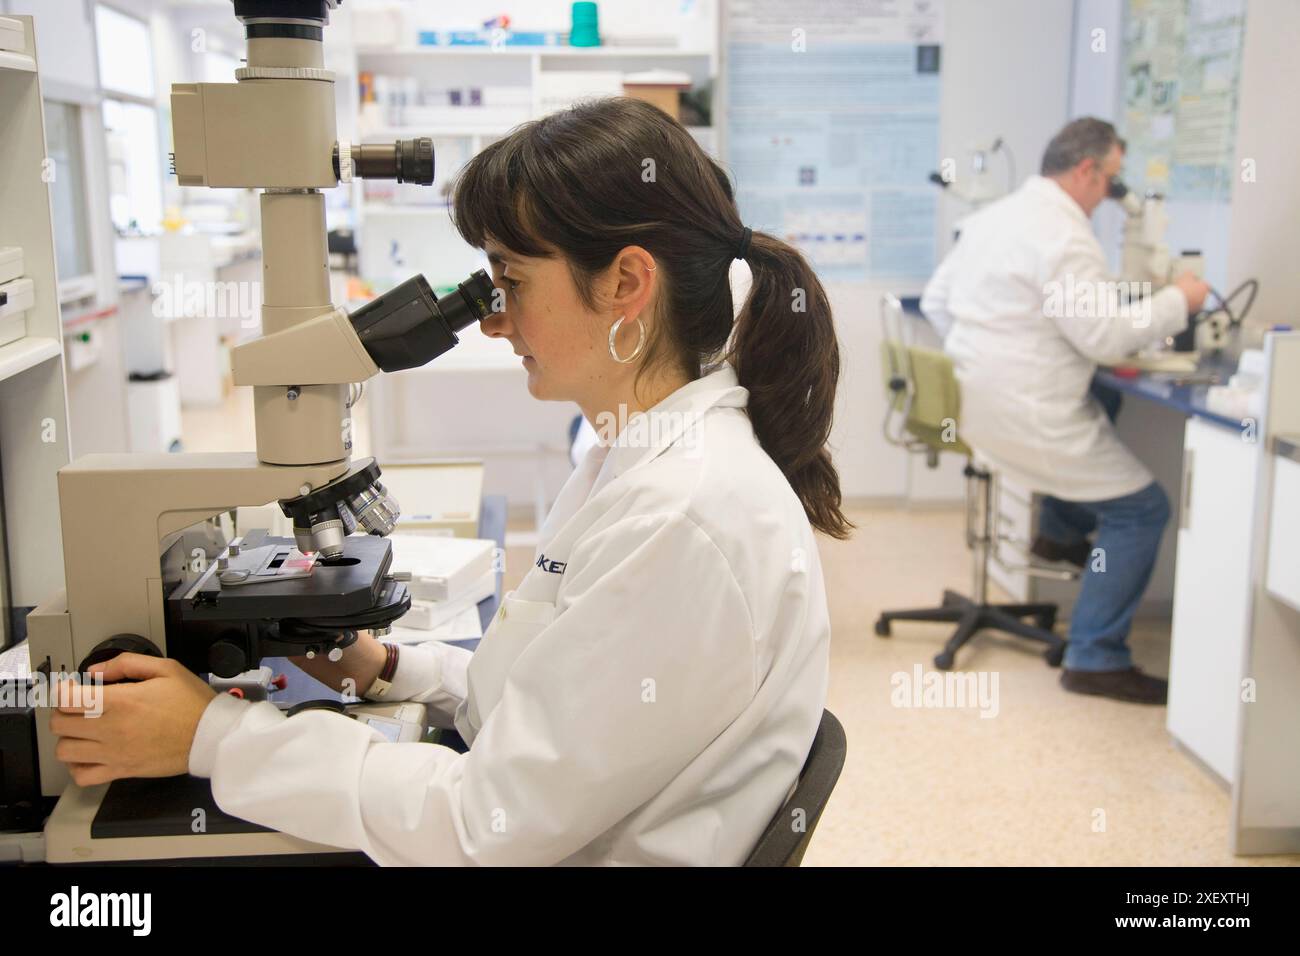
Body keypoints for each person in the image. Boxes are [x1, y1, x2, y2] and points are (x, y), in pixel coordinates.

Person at [50, 97, 850, 865]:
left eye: (511, 282)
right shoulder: (638, 459)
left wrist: (213, 738)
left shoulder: (684, 515)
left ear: (626, 284)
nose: (494, 320)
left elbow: (480, 828)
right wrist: (395, 668)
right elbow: (562, 701)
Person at [922, 117, 1210, 705]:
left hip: (979, 406)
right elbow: (1104, 338)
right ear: (1087, 170)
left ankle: (1058, 529)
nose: (1110, 193)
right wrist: (1180, 300)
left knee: (1102, 397)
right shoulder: (1067, 236)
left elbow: (936, 301)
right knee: (1144, 510)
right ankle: (1096, 656)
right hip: (1030, 415)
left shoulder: (991, 217)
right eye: (1110, 179)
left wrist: (989, 357)